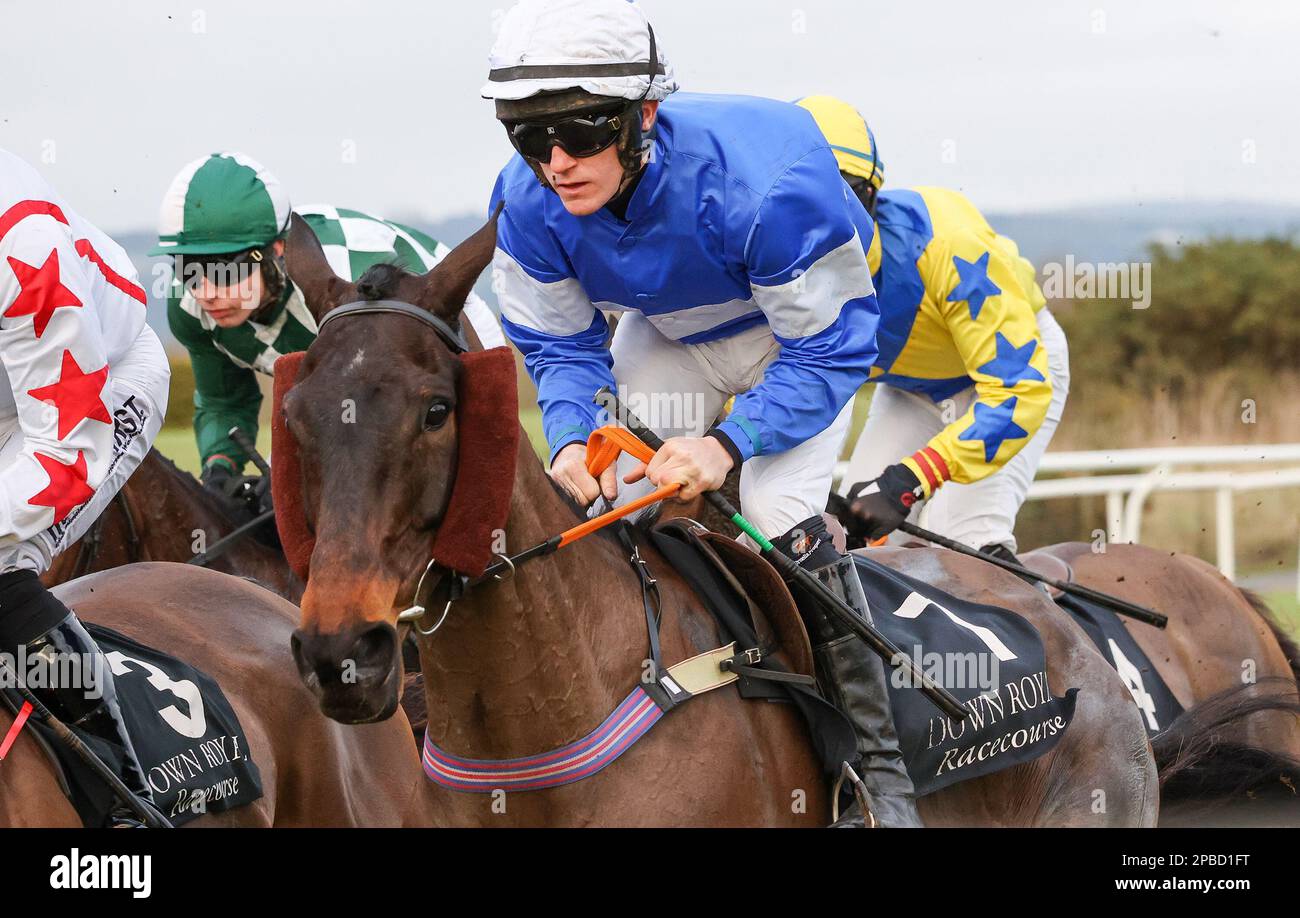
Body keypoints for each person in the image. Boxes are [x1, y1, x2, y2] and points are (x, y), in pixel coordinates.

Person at [483, 0, 919, 826]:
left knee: (771, 509)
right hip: (673, 335)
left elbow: (833, 349)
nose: (556, 163)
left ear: (643, 115)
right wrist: (572, 433)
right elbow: (561, 346)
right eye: (527, 137)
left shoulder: (768, 187)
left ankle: (874, 771)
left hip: (795, 343)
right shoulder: (525, 200)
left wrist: (729, 442)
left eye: (580, 133)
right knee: (612, 493)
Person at [151, 152, 505, 522]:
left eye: (223, 270)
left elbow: (374, 418)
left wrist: (290, 477)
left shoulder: (343, 280)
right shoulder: (190, 307)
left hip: (433, 315)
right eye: (188, 268)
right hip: (341, 378)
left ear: (276, 252)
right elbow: (224, 401)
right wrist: (218, 469)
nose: (205, 291)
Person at [797, 95, 1069, 560]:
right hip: (911, 391)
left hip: (1009, 383)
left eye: (835, 199)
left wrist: (910, 479)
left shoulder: (952, 246)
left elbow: (1018, 393)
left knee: (965, 542)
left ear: (868, 198)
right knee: (855, 546)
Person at [0, 148, 171, 826]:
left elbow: (65, 451)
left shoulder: (24, 243)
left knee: (2, 561)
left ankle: (120, 801)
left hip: (94, 393)